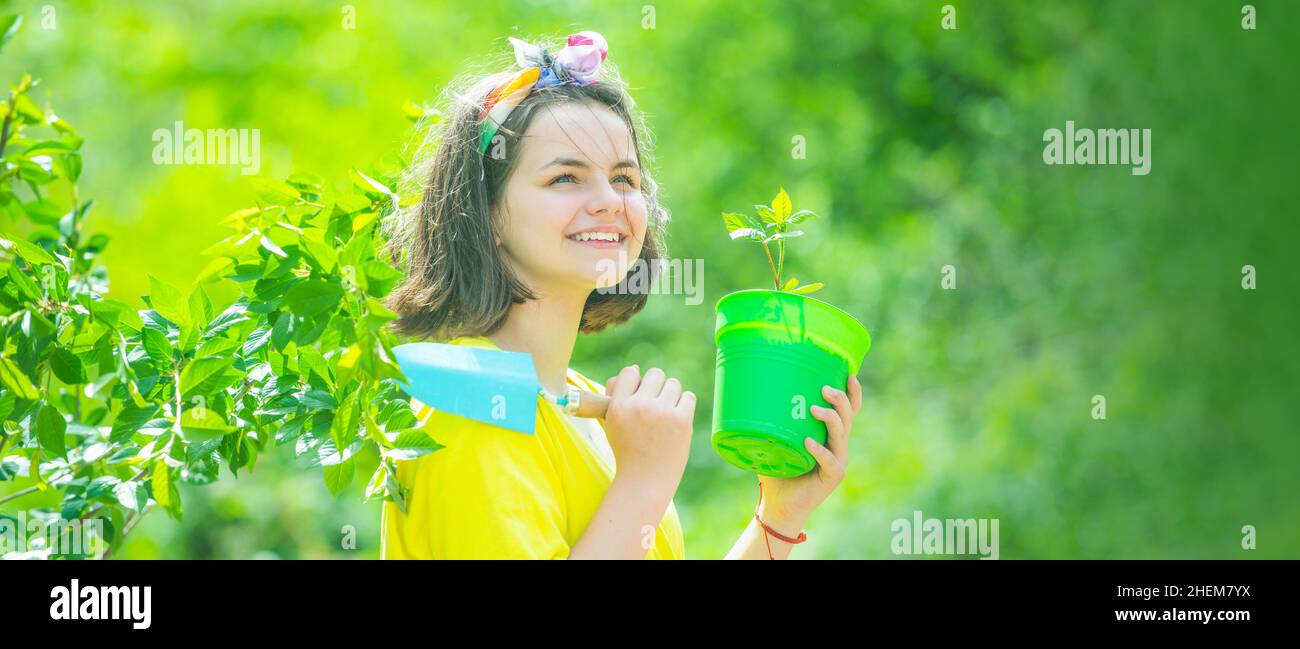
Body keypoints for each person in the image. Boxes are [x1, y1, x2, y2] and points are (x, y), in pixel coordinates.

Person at [380, 31, 861, 559]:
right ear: (488, 214)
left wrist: (779, 516)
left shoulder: (586, 409)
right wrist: (643, 483)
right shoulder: (472, 410)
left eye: (624, 179)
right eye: (565, 177)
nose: (610, 201)